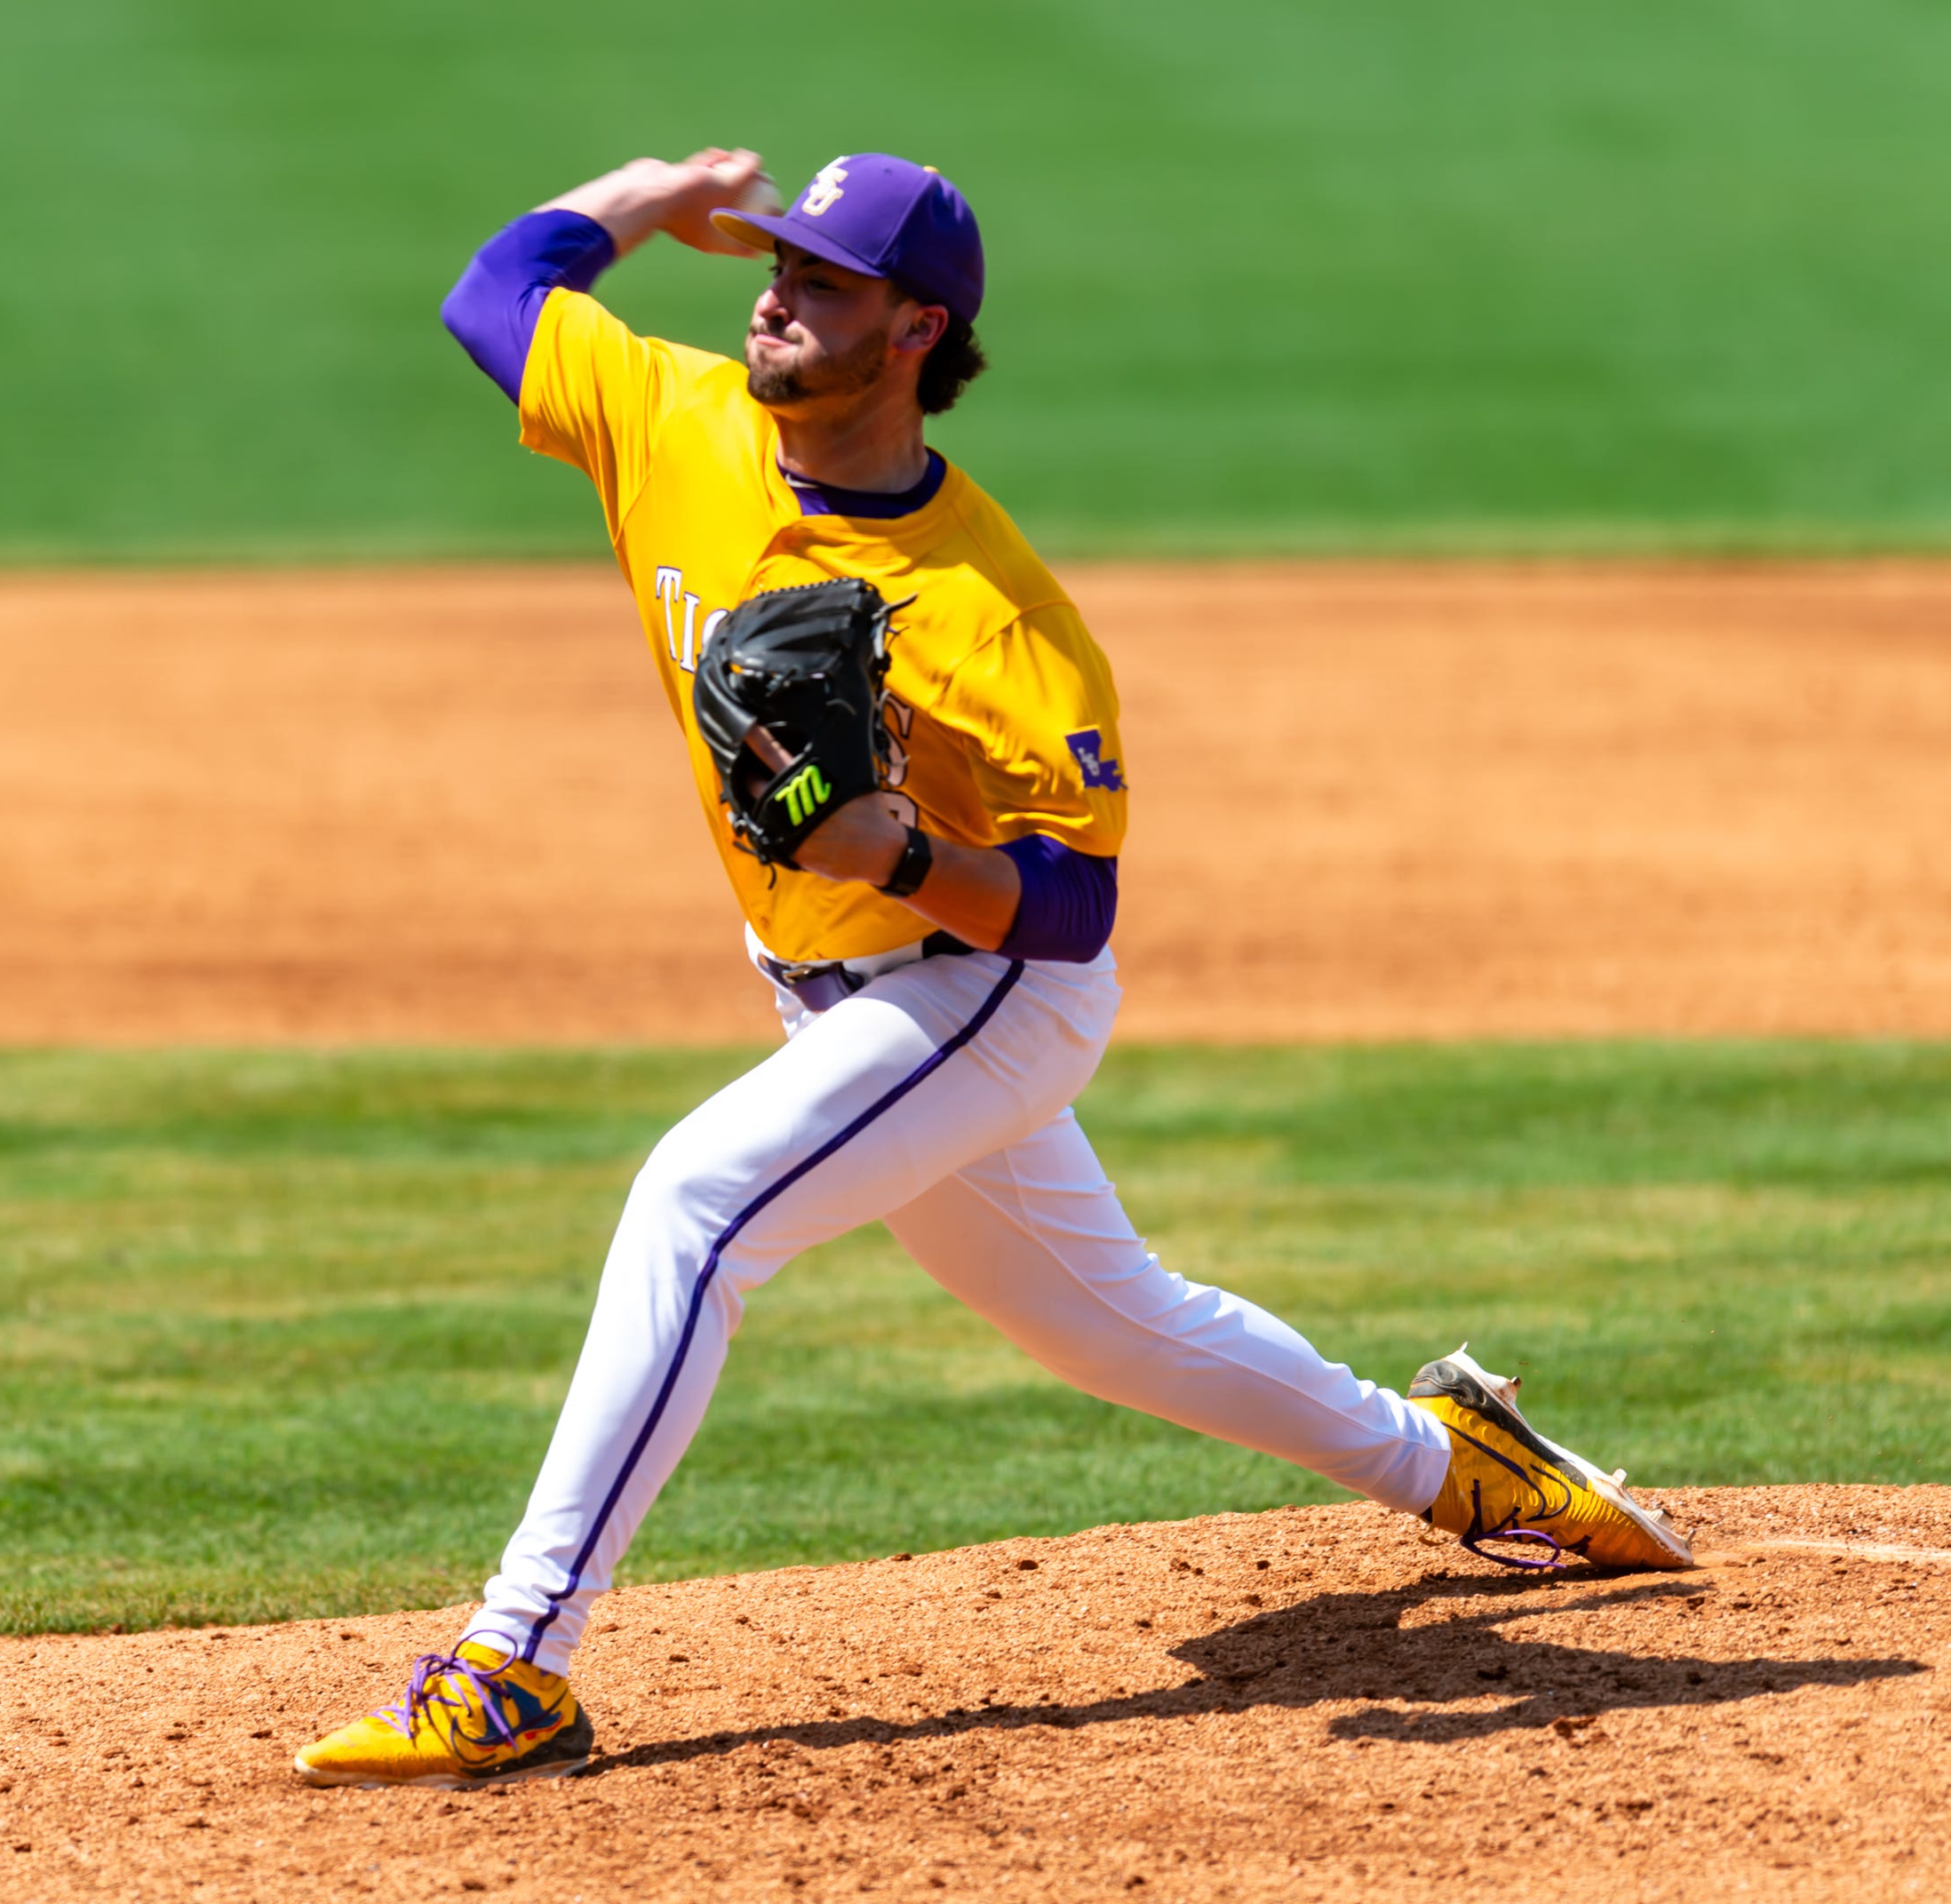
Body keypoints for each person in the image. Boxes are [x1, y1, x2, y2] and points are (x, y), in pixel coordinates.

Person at [292, 148, 1691, 1791]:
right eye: (775, 267)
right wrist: (654, 190)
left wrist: (888, 850)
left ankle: (515, 1663)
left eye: (820, 281)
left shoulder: (996, 615)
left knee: (695, 1205)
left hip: (980, 994)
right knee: (1117, 1325)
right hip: (831, 987)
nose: (773, 297)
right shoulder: (675, 419)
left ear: (913, 330)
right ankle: (1461, 1466)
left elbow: (1075, 911)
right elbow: (496, 293)